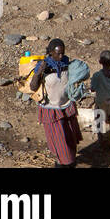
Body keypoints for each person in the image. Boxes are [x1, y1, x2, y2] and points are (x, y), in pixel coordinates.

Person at [28, 39, 85, 167]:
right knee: (60, 143)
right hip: (51, 109)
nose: (61, 56)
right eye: (58, 54)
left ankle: (66, 162)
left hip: (66, 106)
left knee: (70, 139)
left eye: (62, 53)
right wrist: (39, 72)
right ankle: (64, 163)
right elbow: (33, 87)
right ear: (51, 52)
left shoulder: (65, 60)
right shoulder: (43, 65)